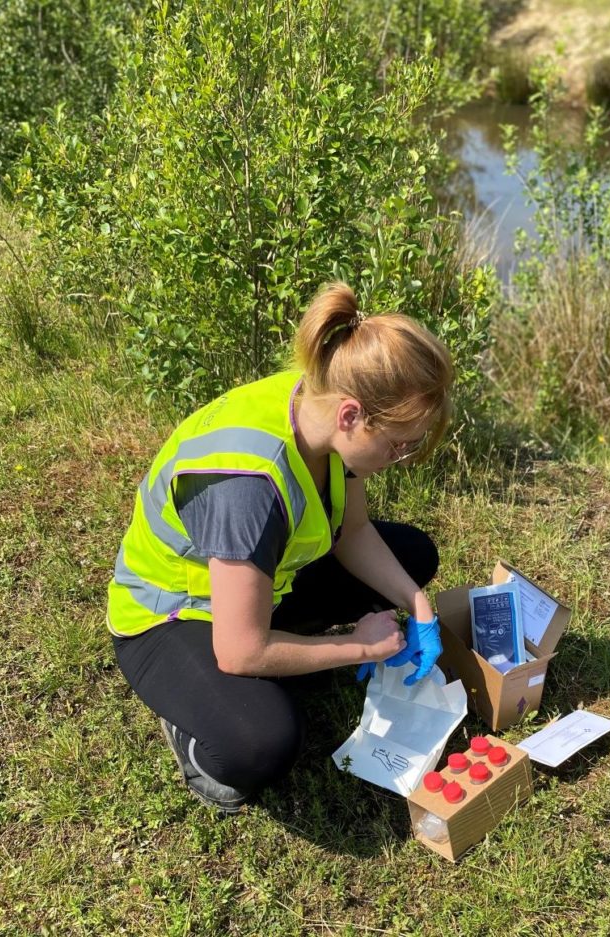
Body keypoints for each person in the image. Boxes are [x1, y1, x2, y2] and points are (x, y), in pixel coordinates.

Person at [107, 282, 454, 813]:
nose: (399, 457)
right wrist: (359, 646)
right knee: (260, 742)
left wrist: (419, 607)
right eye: (398, 445)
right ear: (352, 415)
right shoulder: (245, 487)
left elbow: (354, 533)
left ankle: (293, 639)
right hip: (173, 616)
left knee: (413, 557)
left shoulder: (321, 404)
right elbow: (240, 650)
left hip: (262, 576)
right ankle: (192, 729)